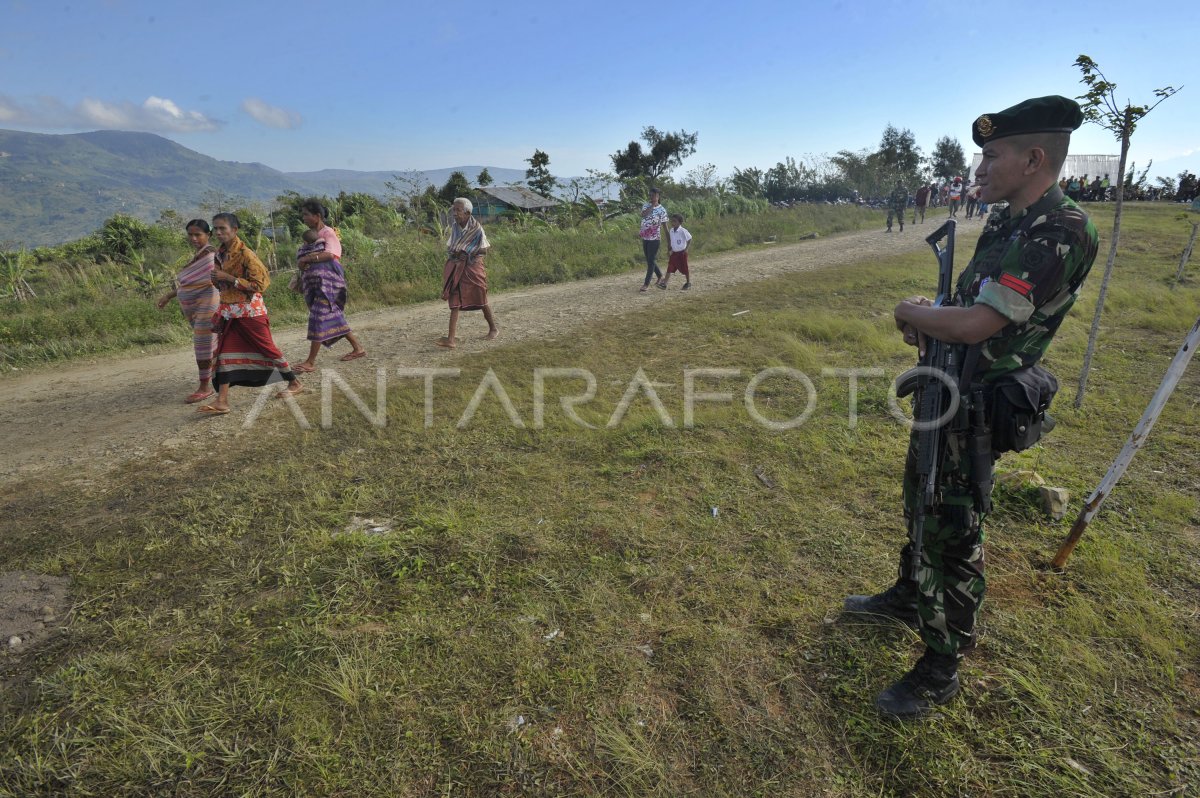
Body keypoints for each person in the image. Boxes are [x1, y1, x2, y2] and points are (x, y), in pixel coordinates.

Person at [843, 95, 1099, 718]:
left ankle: (942, 663)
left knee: (954, 531)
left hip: (979, 401)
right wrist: (931, 321)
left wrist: (915, 315)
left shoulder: (1059, 229)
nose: (978, 169)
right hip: (946, 386)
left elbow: (982, 322)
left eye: (991, 156)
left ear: (1034, 158)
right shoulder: (1011, 221)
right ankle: (910, 593)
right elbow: (966, 306)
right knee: (921, 500)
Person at [197, 212, 302, 415]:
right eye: (215, 229)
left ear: (234, 230)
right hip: (231, 313)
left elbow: (261, 284)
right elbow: (223, 285)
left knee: (268, 349)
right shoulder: (220, 254)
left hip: (251, 312)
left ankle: (295, 383)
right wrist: (217, 280)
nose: (218, 233)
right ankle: (222, 400)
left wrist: (228, 277)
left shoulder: (246, 254)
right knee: (224, 354)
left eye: (222, 229)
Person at [292, 199, 367, 372]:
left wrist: (308, 259)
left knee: (319, 316)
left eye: (306, 214)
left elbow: (331, 254)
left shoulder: (328, 233)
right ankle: (358, 347)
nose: (303, 218)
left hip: (329, 285)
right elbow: (303, 257)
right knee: (331, 315)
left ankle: (310, 362)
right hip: (317, 286)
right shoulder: (310, 236)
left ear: (317, 216)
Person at [156, 219, 220, 403]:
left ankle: (204, 387)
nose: (193, 238)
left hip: (210, 303)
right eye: (190, 235)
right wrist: (169, 296)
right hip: (198, 307)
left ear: (208, 235)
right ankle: (218, 378)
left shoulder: (211, 254)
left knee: (203, 343)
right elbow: (189, 284)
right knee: (212, 343)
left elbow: (209, 280)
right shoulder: (198, 256)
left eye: (197, 234)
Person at [438, 197, 498, 348]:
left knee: (481, 299)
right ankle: (451, 339)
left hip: (473, 268)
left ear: (467, 213)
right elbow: (451, 246)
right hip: (457, 267)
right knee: (455, 300)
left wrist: (466, 251)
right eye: (454, 210)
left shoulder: (477, 229)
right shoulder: (455, 227)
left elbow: (484, 249)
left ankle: (493, 328)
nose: (454, 213)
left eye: (458, 210)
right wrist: (457, 253)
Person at [638, 187, 669, 292]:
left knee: (650, 260)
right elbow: (643, 215)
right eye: (650, 195)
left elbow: (665, 227)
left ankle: (646, 284)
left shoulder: (662, 210)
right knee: (649, 259)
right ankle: (660, 275)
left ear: (658, 196)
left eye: (654, 195)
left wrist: (669, 242)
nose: (652, 197)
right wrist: (652, 206)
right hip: (645, 237)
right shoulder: (646, 205)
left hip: (655, 238)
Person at [659, 213, 692, 290]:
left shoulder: (683, 231)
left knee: (685, 268)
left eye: (675, 221)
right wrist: (669, 250)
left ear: (680, 222)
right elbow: (671, 241)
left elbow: (690, 239)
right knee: (670, 267)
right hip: (674, 253)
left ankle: (688, 282)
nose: (673, 223)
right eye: (672, 221)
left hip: (682, 253)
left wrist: (686, 249)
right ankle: (664, 284)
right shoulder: (671, 231)